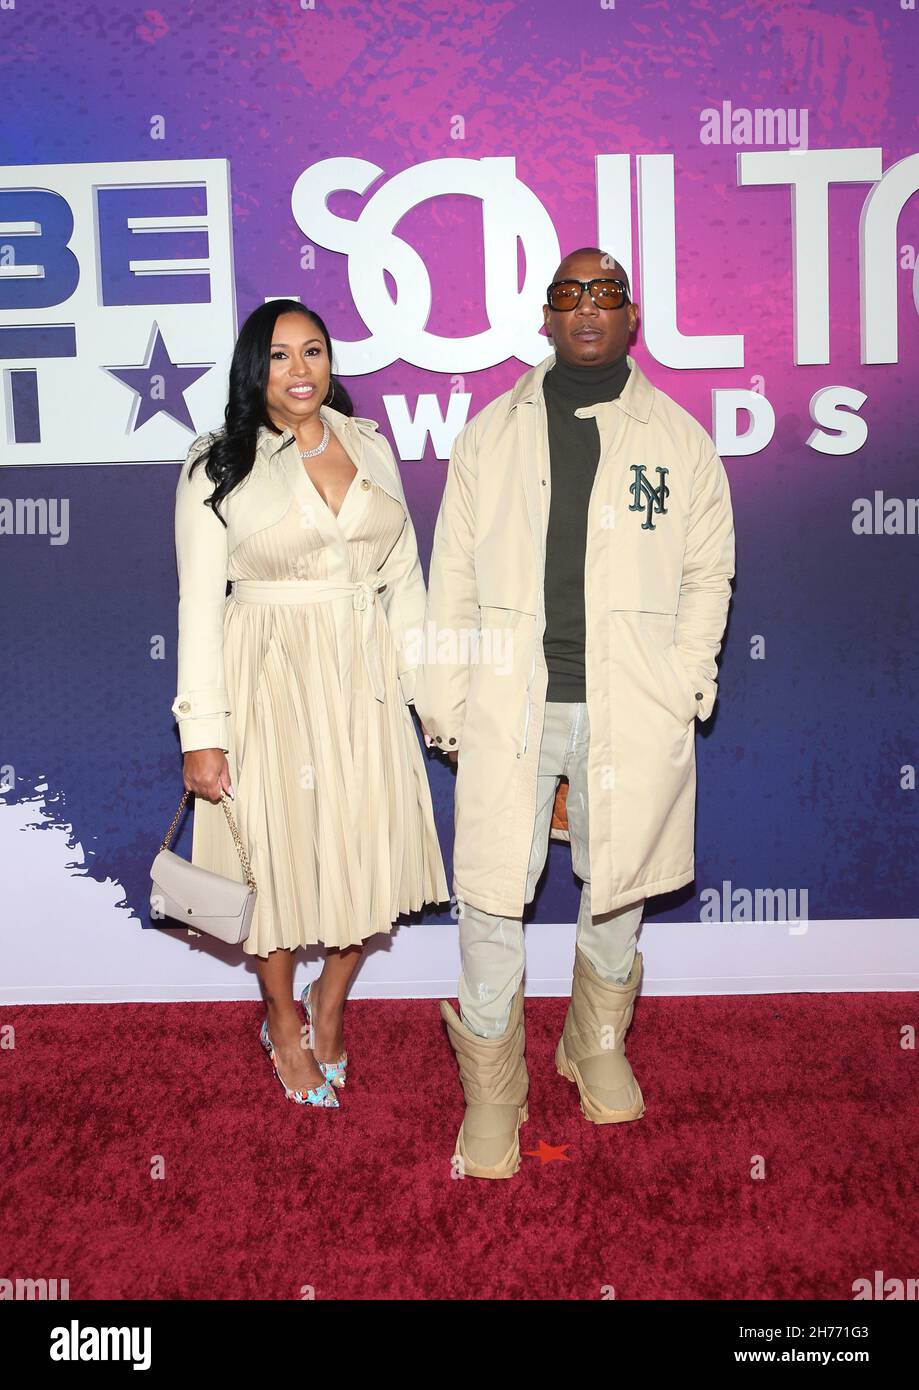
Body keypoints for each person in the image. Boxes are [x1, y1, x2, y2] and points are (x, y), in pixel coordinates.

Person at [414, 248, 735, 1177]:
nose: (587, 309)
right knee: (486, 893)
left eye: (605, 296)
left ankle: (593, 1042)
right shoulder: (489, 435)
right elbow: (454, 582)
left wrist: (684, 679)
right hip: (510, 702)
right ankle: (492, 1087)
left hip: (631, 703)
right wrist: (447, 698)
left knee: (621, 881)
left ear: (631, 318)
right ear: (545, 318)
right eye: (568, 295)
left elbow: (707, 572)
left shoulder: (679, 440)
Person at [172, 298, 449, 1108]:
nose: (301, 371)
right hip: (266, 678)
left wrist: (429, 699)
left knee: (368, 855)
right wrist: (203, 731)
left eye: (314, 352)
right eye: (281, 355)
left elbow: (406, 583)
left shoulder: (368, 445)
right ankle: (282, 1018)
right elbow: (196, 605)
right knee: (278, 864)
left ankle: (329, 1004)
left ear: (332, 361)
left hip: (361, 682)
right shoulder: (216, 461)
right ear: (255, 368)